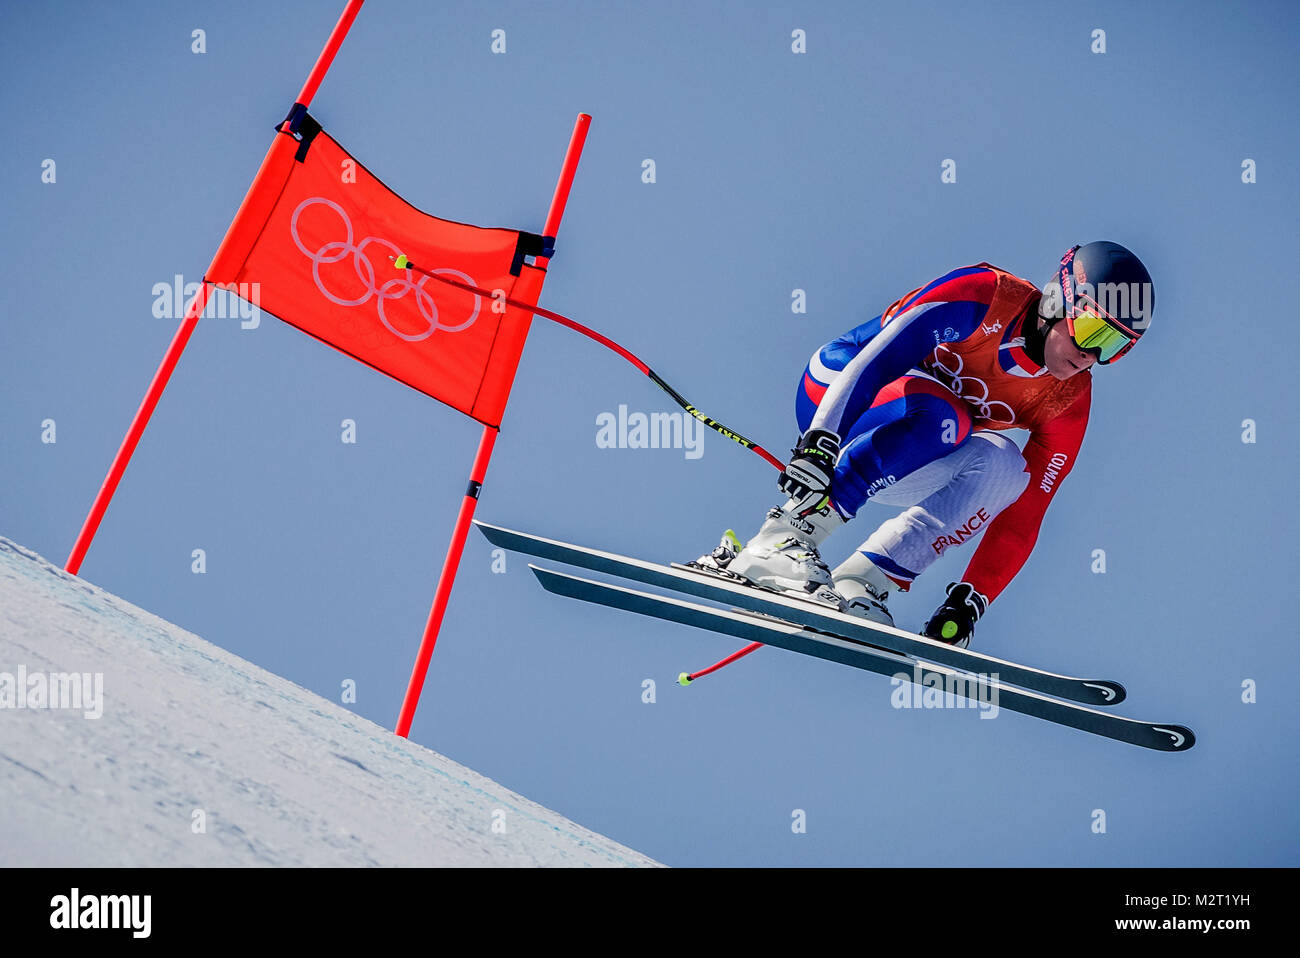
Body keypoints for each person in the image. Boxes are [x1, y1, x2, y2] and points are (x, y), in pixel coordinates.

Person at [692, 242, 1155, 648]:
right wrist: (819, 442)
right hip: (840, 392)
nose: (1091, 356)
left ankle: (866, 580)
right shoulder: (985, 295)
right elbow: (879, 357)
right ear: (1058, 301)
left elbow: (1026, 513)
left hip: (914, 446)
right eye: (1094, 331)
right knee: (946, 418)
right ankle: (785, 537)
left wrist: (973, 598)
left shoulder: (1067, 401)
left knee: (1005, 467)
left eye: (1114, 347)